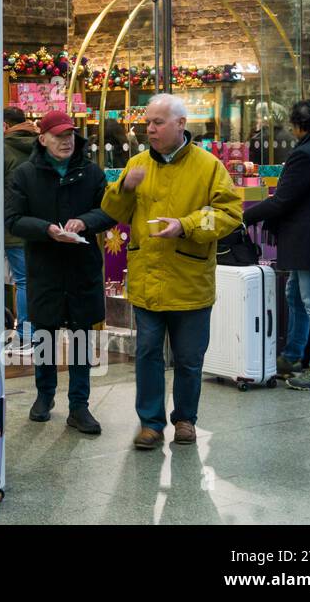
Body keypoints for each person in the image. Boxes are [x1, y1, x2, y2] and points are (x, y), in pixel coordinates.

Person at [102, 93, 241, 449]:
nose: (150, 128)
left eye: (158, 122)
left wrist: (187, 224)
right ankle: (150, 423)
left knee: (189, 358)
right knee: (147, 354)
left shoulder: (209, 167)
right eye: (147, 122)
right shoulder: (136, 164)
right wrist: (123, 188)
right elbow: (111, 210)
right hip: (148, 279)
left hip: (190, 280)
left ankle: (185, 420)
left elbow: (229, 214)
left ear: (181, 124)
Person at [6, 110, 116, 434]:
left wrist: (86, 221)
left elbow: (108, 211)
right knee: (46, 334)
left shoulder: (91, 172)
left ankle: (79, 406)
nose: (66, 141)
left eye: (70, 135)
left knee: (82, 335)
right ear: (43, 139)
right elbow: (13, 219)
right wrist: (46, 229)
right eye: (58, 136)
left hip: (82, 267)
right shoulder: (25, 175)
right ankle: (44, 395)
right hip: (45, 266)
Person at [242, 100, 310, 391]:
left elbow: (282, 200)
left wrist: (244, 217)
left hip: (309, 242)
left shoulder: (306, 154)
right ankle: (292, 357)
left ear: (298, 126)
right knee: (297, 298)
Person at [3, 107, 38, 342]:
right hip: (38, 223)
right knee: (29, 279)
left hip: (11, 224)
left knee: (22, 280)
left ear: (5, 126)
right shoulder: (40, 145)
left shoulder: (3, 150)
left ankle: (26, 333)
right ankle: (31, 331)